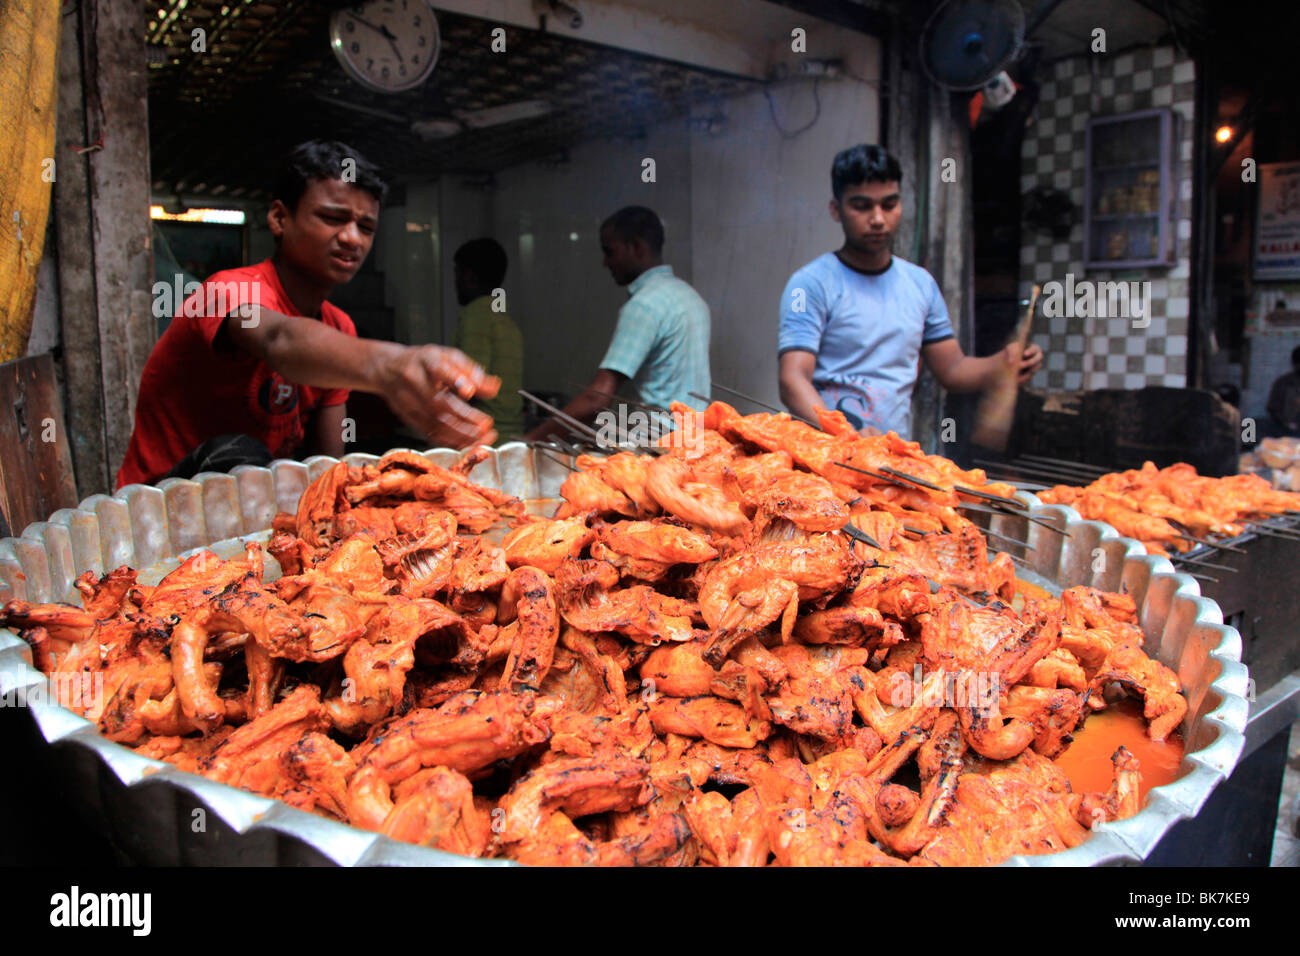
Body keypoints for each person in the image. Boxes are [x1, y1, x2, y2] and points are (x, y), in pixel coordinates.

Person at [117, 140, 497, 488]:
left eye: (366, 226)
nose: (352, 238)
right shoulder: (228, 291)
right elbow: (278, 339)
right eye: (333, 218)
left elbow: (330, 465)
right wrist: (391, 365)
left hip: (256, 519)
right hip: (166, 509)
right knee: (240, 453)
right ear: (280, 219)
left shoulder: (337, 326)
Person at [778, 144, 1043, 439]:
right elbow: (793, 378)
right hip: (823, 459)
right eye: (862, 206)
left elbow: (952, 369)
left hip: (894, 458)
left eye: (889, 205)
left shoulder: (920, 285)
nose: (878, 219)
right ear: (836, 210)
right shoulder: (811, 284)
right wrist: (846, 436)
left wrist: (1001, 364)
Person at [523, 206, 710, 443]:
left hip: (656, 450)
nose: (605, 263)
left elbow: (596, 399)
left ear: (636, 247)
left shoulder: (645, 305)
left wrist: (530, 441)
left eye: (609, 252)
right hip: (695, 444)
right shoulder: (691, 298)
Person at [452, 238, 525, 441]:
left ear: (468, 276)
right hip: (510, 437)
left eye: (456, 273)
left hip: (484, 439)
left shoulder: (475, 315)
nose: (455, 282)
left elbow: (467, 384)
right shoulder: (505, 319)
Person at [1265, 346, 1300, 437]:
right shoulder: (1283, 383)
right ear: (1295, 364)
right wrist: (1286, 423)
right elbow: (1272, 408)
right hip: (1284, 434)